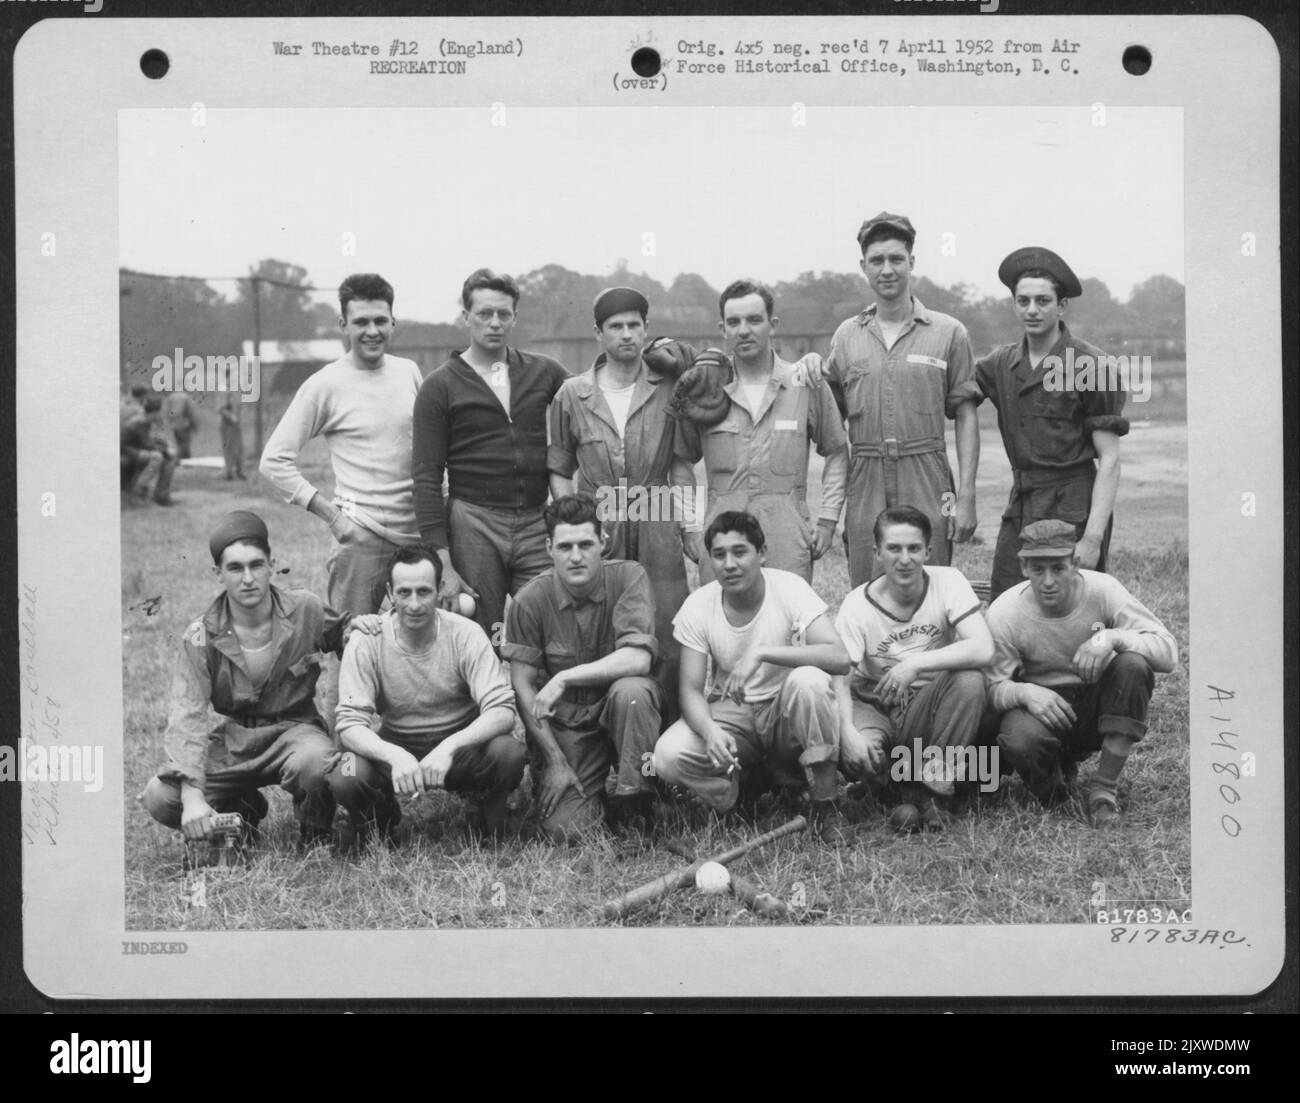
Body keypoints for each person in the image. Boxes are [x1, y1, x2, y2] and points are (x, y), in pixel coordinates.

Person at [140, 511, 376, 849]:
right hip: (236, 740)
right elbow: (186, 716)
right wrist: (192, 795)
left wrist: (360, 629)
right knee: (161, 796)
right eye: (235, 568)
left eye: (256, 565)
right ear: (217, 574)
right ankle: (242, 810)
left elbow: (342, 632)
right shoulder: (200, 636)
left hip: (295, 732)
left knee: (315, 765)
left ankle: (316, 831)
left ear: (272, 565)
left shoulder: (305, 608)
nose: (248, 578)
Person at [652, 511, 854, 843]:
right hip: (736, 714)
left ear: (761, 553)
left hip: (784, 712)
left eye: (740, 552)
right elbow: (690, 689)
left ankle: (826, 803)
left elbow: (839, 658)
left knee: (810, 682)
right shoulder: (699, 605)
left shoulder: (789, 587)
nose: (729, 564)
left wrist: (761, 654)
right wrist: (710, 730)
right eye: (719, 555)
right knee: (666, 755)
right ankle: (739, 790)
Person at [547, 286, 692, 715]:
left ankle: (665, 736)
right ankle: (597, 730)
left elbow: (684, 462)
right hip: (600, 515)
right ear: (598, 333)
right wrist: (574, 524)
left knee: (667, 624)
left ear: (647, 330)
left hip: (657, 510)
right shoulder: (572, 394)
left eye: (635, 325)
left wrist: (690, 529)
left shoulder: (669, 385)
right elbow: (558, 467)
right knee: (599, 624)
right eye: (616, 326)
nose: (626, 334)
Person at [984, 520, 1177, 828]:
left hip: (1093, 706)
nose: (1048, 581)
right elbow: (990, 688)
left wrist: (1112, 638)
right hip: (1042, 711)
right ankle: (1051, 789)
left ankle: (1104, 789)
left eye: (1058, 568)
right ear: (1023, 567)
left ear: (1075, 563)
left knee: (1132, 665)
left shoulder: (1103, 590)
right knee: (1018, 736)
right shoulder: (1004, 613)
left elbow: (1168, 653)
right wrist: (1024, 692)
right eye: (1038, 569)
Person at [412, 268, 569, 642]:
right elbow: (426, 477)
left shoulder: (542, 371)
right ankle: (486, 702)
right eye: (484, 313)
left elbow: (591, 393)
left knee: (555, 619)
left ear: (515, 316)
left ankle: (546, 700)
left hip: (535, 519)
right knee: (477, 631)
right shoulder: (440, 385)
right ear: (465, 316)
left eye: (503, 314)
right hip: (474, 523)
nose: (494, 323)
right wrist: (443, 560)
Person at [825, 212, 981, 586]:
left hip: (929, 473)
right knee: (866, 575)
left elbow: (966, 415)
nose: (887, 269)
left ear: (912, 262)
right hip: (865, 473)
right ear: (863, 267)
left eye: (896, 259)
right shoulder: (847, 336)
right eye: (877, 261)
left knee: (934, 572)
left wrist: (967, 495)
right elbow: (827, 420)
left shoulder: (949, 333)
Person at [330, 544, 525, 843]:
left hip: (461, 749)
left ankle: (486, 808)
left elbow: (502, 710)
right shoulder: (367, 639)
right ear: (389, 591)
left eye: (424, 592)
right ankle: (379, 818)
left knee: (509, 752)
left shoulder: (466, 633)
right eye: (404, 592)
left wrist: (450, 747)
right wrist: (392, 755)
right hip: (397, 743)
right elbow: (348, 724)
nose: (414, 604)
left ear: (440, 590)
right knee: (346, 770)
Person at [260, 273, 423, 617]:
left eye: (381, 321)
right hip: (362, 538)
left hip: (417, 536)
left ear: (393, 322)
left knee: (417, 646)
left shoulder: (408, 371)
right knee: (351, 645)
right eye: (361, 322)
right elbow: (274, 461)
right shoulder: (325, 384)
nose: (372, 331)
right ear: (343, 325)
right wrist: (334, 519)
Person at [504, 495, 662, 841]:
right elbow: (522, 687)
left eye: (585, 544)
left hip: (619, 711)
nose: (576, 556)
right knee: (565, 831)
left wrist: (564, 676)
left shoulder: (629, 576)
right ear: (548, 547)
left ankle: (635, 800)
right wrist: (555, 762)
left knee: (633, 692)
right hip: (569, 725)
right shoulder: (529, 600)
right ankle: (582, 786)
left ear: (603, 543)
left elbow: (639, 658)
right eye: (565, 547)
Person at [975, 247, 1129, 600]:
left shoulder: (1092, 366)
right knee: (1006, 600)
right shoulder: (999, 363)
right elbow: (956, 390)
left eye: (1043, 300)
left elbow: (1110, 459)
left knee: (1070, 608)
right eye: (1023, 300)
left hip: (1072, 504)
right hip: (1022, 503)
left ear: (1061, 306)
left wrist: (1091, 537)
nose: (1032, 310)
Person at [675, 279, 848, 584]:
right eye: (734, 322)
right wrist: (688, 526)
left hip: (786, 536)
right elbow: (680, 463)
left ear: (773, 324)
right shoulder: (706, 387)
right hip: (721, 536)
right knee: (723, 623)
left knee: (787, 622)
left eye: (754, 320)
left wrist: (828, 520)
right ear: (722, 329)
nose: (744, 330)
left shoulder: (804, 383)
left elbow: (836, 451)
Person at [833, 506, 993, 830]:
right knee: (863, 754)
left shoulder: (948, 581)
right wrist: (848, 734)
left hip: (928, 708)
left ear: (928, 551)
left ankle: (934, 793)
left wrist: (915, 664)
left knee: (969, 680)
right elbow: (839, 679)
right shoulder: (856, 605)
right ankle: (891, 784)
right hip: (876, 705)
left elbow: (983, 647)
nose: (904, 559)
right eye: (894, 548)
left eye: (914, 548)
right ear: (877, 552)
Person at [120, 395, 178, 506]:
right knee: (157, 457)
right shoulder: (139, 422)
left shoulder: (144, 420)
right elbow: (146, 444)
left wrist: (163, 444)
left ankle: (161, 494)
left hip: (133, 449)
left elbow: (147, 440)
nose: (162, 414)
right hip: (127, 451)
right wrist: (166, 450)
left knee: (166, 458)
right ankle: (140, 489)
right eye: (160, 412)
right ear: (155, 413)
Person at [219, 387, 246, 480]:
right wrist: (231, 417)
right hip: (228, 425)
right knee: (229, 449)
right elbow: (221, 409)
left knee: (239, 448)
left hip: (237, 425)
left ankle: (240, 471)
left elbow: (239, 407)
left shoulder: (237, 391)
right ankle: (229, 472)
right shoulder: (224, 390)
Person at [163, 392, 199, 461]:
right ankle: (185, 458)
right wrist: (194, 424)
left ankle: (181, 458)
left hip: (174, 424)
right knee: (185, 442)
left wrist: (170, 421)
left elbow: (167, 410)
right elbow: (190, 411)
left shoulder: (171, 397)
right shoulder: (185, 397)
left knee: (179, 442)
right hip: (184, 423)